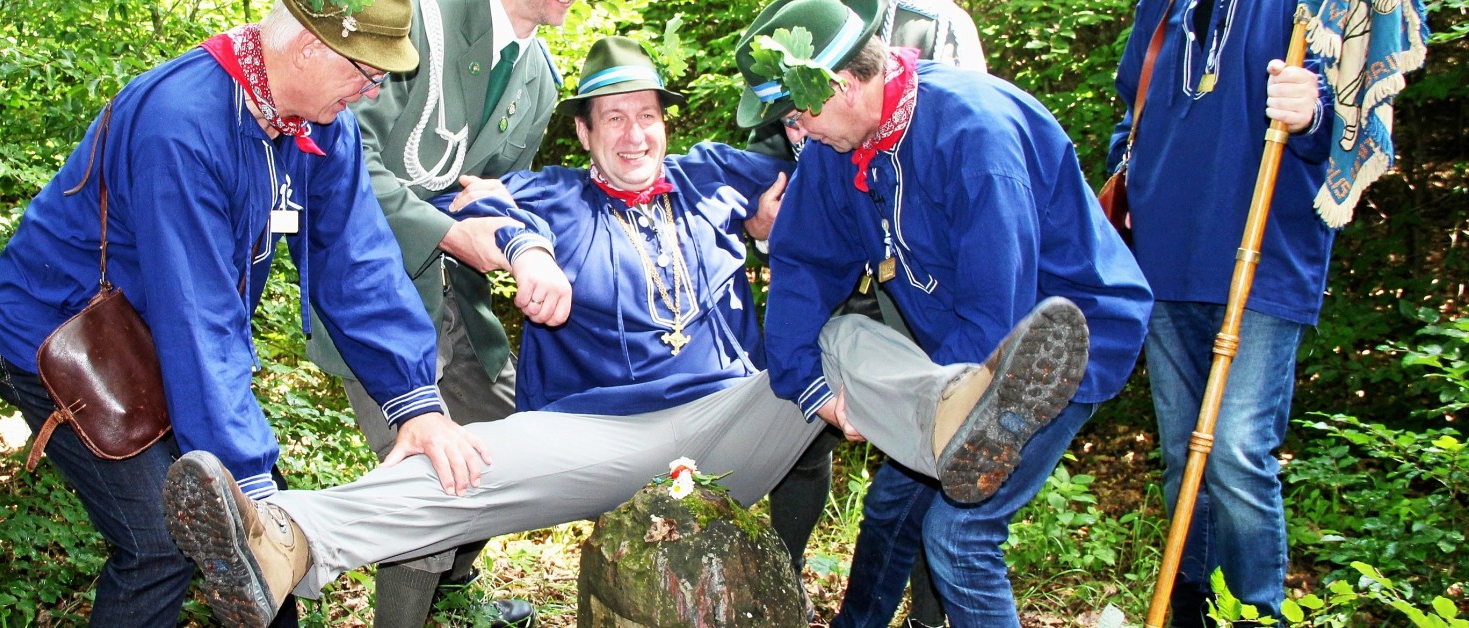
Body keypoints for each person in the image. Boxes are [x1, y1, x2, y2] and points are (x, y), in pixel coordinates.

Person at [160, 35, 1095, 628]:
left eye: (645, 115)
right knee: (463, 461)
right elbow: (487, 205)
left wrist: (801, 191)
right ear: (587, 133)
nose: (634, 134)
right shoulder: (555, 196)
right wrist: (527, 256)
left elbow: (797, 194)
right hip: (601, 435)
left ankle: (955, 413)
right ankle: (282, 536)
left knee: (835, 337)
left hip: (743, 412)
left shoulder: (709, 175)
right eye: (612, 118)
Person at [0, 0, 490, 626]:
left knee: (263, 546)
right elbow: (198, 311)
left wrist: (416, 402)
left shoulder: (317, 125)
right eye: (366, 74)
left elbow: (357, 260)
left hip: (166, 334)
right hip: (71, 337)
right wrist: (246, 479)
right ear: (310, 49)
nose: (371, 93)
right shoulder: (182, 126)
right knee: (163, 544)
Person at [737, 0, 1153, 628]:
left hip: (1050, 353)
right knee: (892, 504)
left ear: (844, 85)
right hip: (955, 362)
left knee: (959, 537)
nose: (796, 134)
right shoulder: (835, 148)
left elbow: (999, 316)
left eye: (796, 116)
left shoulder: (974, 136)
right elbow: (805, 262)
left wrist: (927, 409)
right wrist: (811, 386)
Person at [304, 0, 618, 628]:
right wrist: (450, 231)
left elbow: (496, 195)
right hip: (373, 294)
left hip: (459, 305)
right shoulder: (417, 26)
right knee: (434, 478)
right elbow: (343, 168)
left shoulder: (542, 76)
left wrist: (524, 247)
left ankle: (451, 583)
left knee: (511, 442)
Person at [739, 0, 988, 625]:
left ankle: (930, 611)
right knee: (801, 431)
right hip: (831, 272)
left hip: (924, 282)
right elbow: (764, 161)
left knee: (929, 451)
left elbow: (968, 163)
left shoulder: (929, 26)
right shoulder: (784, 40)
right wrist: (764, 203)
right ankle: (777, 587)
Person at [1110, 0, 1333, 627]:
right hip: (1166, 262)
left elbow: (1358, 121)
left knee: (1236, 453)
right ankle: (1191, 610)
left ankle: (1257, 614)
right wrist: (1127, 181)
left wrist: (1315, 114)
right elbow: (1130, 112)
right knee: (1183, 460)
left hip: (1263, 254)